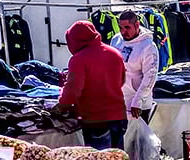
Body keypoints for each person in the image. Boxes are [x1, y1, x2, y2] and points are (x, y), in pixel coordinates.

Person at [52, 20, 127, 150]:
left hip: (96, 120)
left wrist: (60, 107)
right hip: (118, 116)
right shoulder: (114, 53)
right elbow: (121, 81)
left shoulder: (78, 59)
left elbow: (72, 91)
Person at [110, 10, 159, 124]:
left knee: (138, 140)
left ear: (137, 25)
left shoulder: (148, 46)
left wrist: (138, 102)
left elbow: (150, 76)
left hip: (137, 105)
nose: (123, 32)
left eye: (127, 27)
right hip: (118, 101)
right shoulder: (116, 40)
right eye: (121, 27)